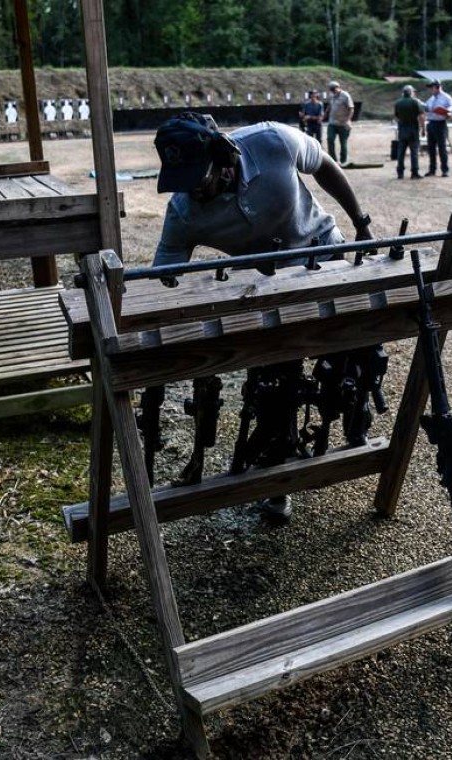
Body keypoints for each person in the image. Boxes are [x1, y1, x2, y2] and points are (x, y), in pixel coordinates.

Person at [152, 113, 375, 522]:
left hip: (324, 257)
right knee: (272, 382)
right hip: (265, 287)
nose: (192, 190)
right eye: (181, 182)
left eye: (198, 179)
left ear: (223, 158)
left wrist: (361, 224)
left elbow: (324, 164)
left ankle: (353, 409)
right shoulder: (184, 212)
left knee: (355, 347)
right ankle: (276, 473)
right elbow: (163, 276)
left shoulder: (273, 142)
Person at [422, 79, 452, 177]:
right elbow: (426, 110)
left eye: (432, 87)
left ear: (437, 87)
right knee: (431, 148)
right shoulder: (431, 99)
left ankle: (445, 170)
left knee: (442, 148)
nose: (430, 89)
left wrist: (448, 114)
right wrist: (425, 109)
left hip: (441, 124)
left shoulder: (447, 98)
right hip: (431, 123)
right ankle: (432, 169)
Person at [393, 84, 426, 180]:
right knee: (414, 152)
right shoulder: (415, 102)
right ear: (411, 92)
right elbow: (421, 116)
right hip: (413, 129)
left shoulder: (398, 103)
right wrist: (423, 128)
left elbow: (396, 116)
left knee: (401, 152)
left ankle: (400, 172)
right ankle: (414, 172)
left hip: (402, 129)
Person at [324, 80, 356, 166]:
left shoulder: (345, 96)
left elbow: (351, 108)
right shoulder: (331, 96)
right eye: (331, 89)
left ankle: (343, 161)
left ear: (338, 87)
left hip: (343, 123)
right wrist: (324, 115)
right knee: (330, 139)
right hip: (332, 122)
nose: (333, 91)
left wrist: (348, 120)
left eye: (334, 89)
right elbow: (329, 106)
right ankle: (333, 160)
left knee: (343, 142)